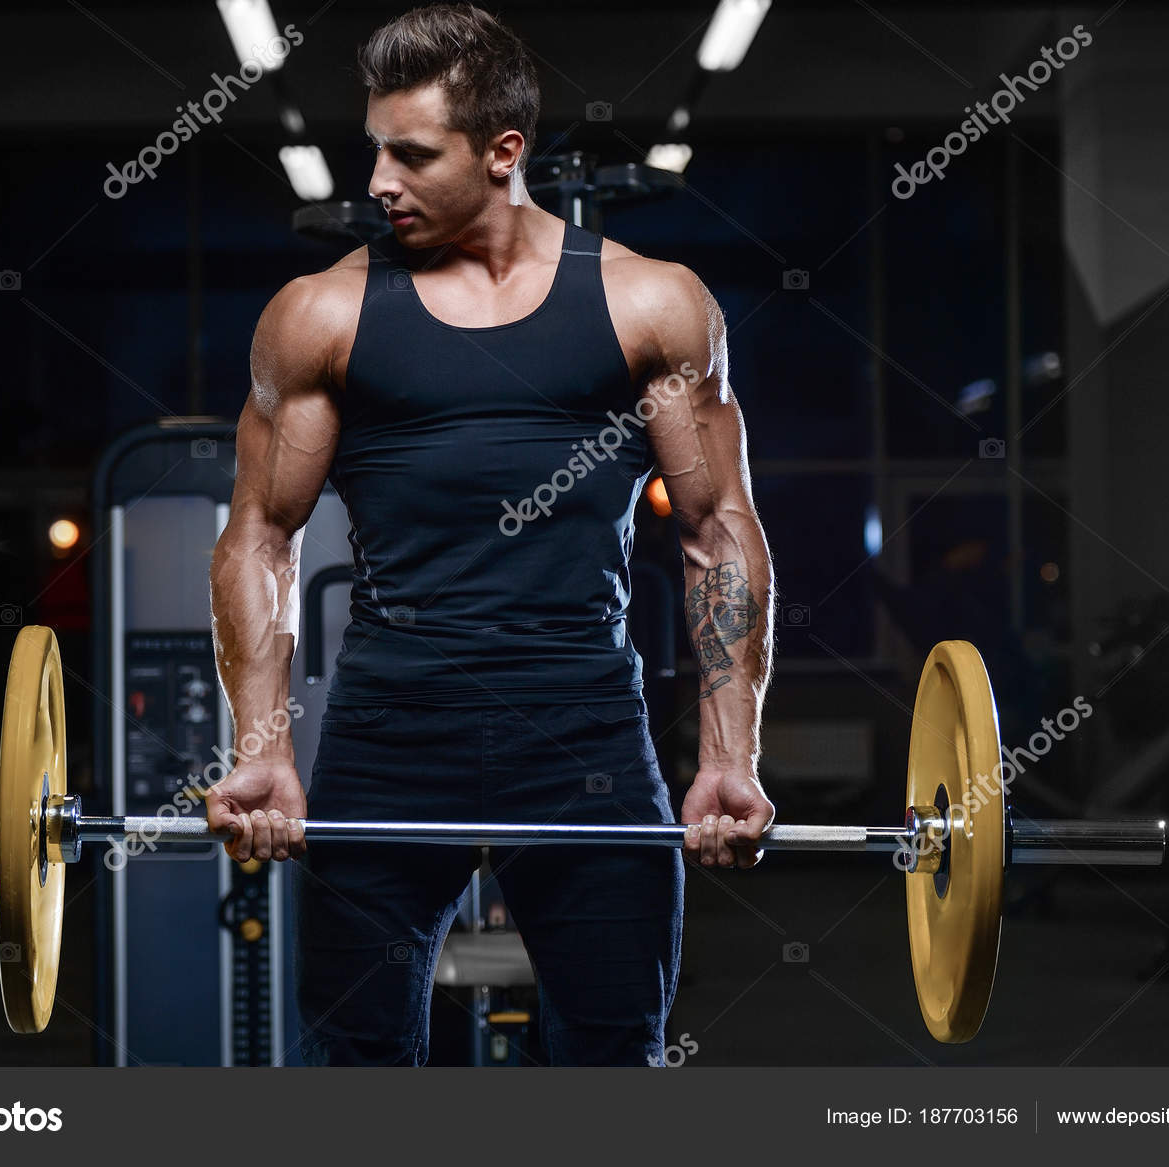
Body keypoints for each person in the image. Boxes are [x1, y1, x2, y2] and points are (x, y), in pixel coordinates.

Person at [205, 3, 775, 1066]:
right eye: (374, 148)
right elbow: (258, 538)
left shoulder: (648, 305)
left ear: (502, 153)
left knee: (614, 1056)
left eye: (411, 155)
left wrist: (728, 756)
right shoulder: (320, 317)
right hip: (386, 741)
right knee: (357, 1066)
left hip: (585, 745)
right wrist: (263, 751)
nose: (377, 180)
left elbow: (717, 530)